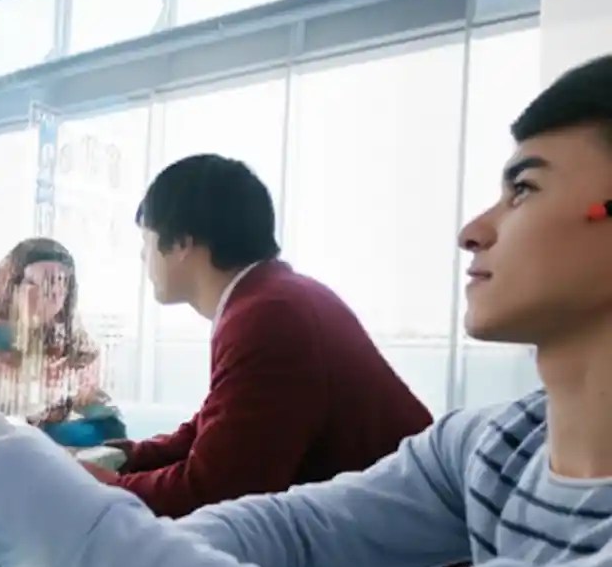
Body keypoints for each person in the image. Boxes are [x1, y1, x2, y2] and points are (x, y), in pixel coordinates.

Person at [0, 54, 612, 567]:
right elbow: (291, 522)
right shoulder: (490, 445)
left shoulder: (271, 313)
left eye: (524, 189)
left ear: (182, 244)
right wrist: (121, 534)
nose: (472, 230)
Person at [89, 154, 432, 518]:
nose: (143, 256)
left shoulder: (269, 317)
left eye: (147, 240)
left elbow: (214, 491)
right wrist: (128, 457)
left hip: (407, 542)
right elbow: (215, 428)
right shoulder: (275, 295)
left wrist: (99, 489)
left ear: (181, 244)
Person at [0, 238, 125, 448]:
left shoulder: (78, 350)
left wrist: (69, 411)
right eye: (39, 282)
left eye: (61, 282)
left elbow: (110, 427)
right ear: (10, 286)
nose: (52, 293)